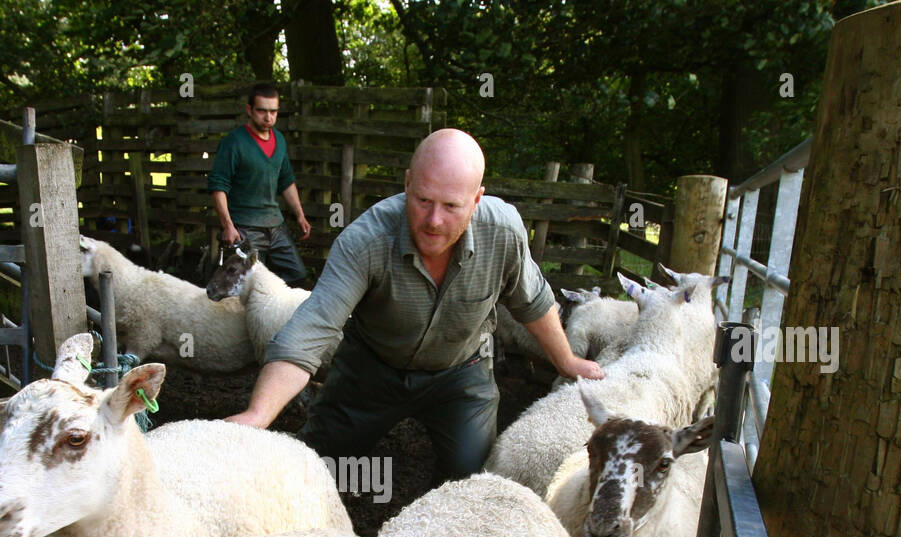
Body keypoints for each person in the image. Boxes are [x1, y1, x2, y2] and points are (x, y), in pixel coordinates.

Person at [225, 128, 604, 478]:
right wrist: (258, 415)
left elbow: (533, 301)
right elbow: (311, 329)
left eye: (451, 206)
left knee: (471, 478)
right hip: (371, 368)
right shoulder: (365, 241)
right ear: (407, 183)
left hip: (461, 372)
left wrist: (567, 361)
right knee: (320, 463)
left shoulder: (503, 232)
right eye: (422, 199)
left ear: (476, 200)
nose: (433, 221)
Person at [208, 83, 311, 286]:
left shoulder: (279, 140)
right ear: (249, 110)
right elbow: (218, 186)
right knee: (249, 283)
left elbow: (286, 180)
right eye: (262, 110)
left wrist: (300, 215)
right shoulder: (234, 142)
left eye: (273, 111)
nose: (268, 117)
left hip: (275, 225)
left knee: (298, 275)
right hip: (246, 227)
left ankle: (275, 314)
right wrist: (228, 226)